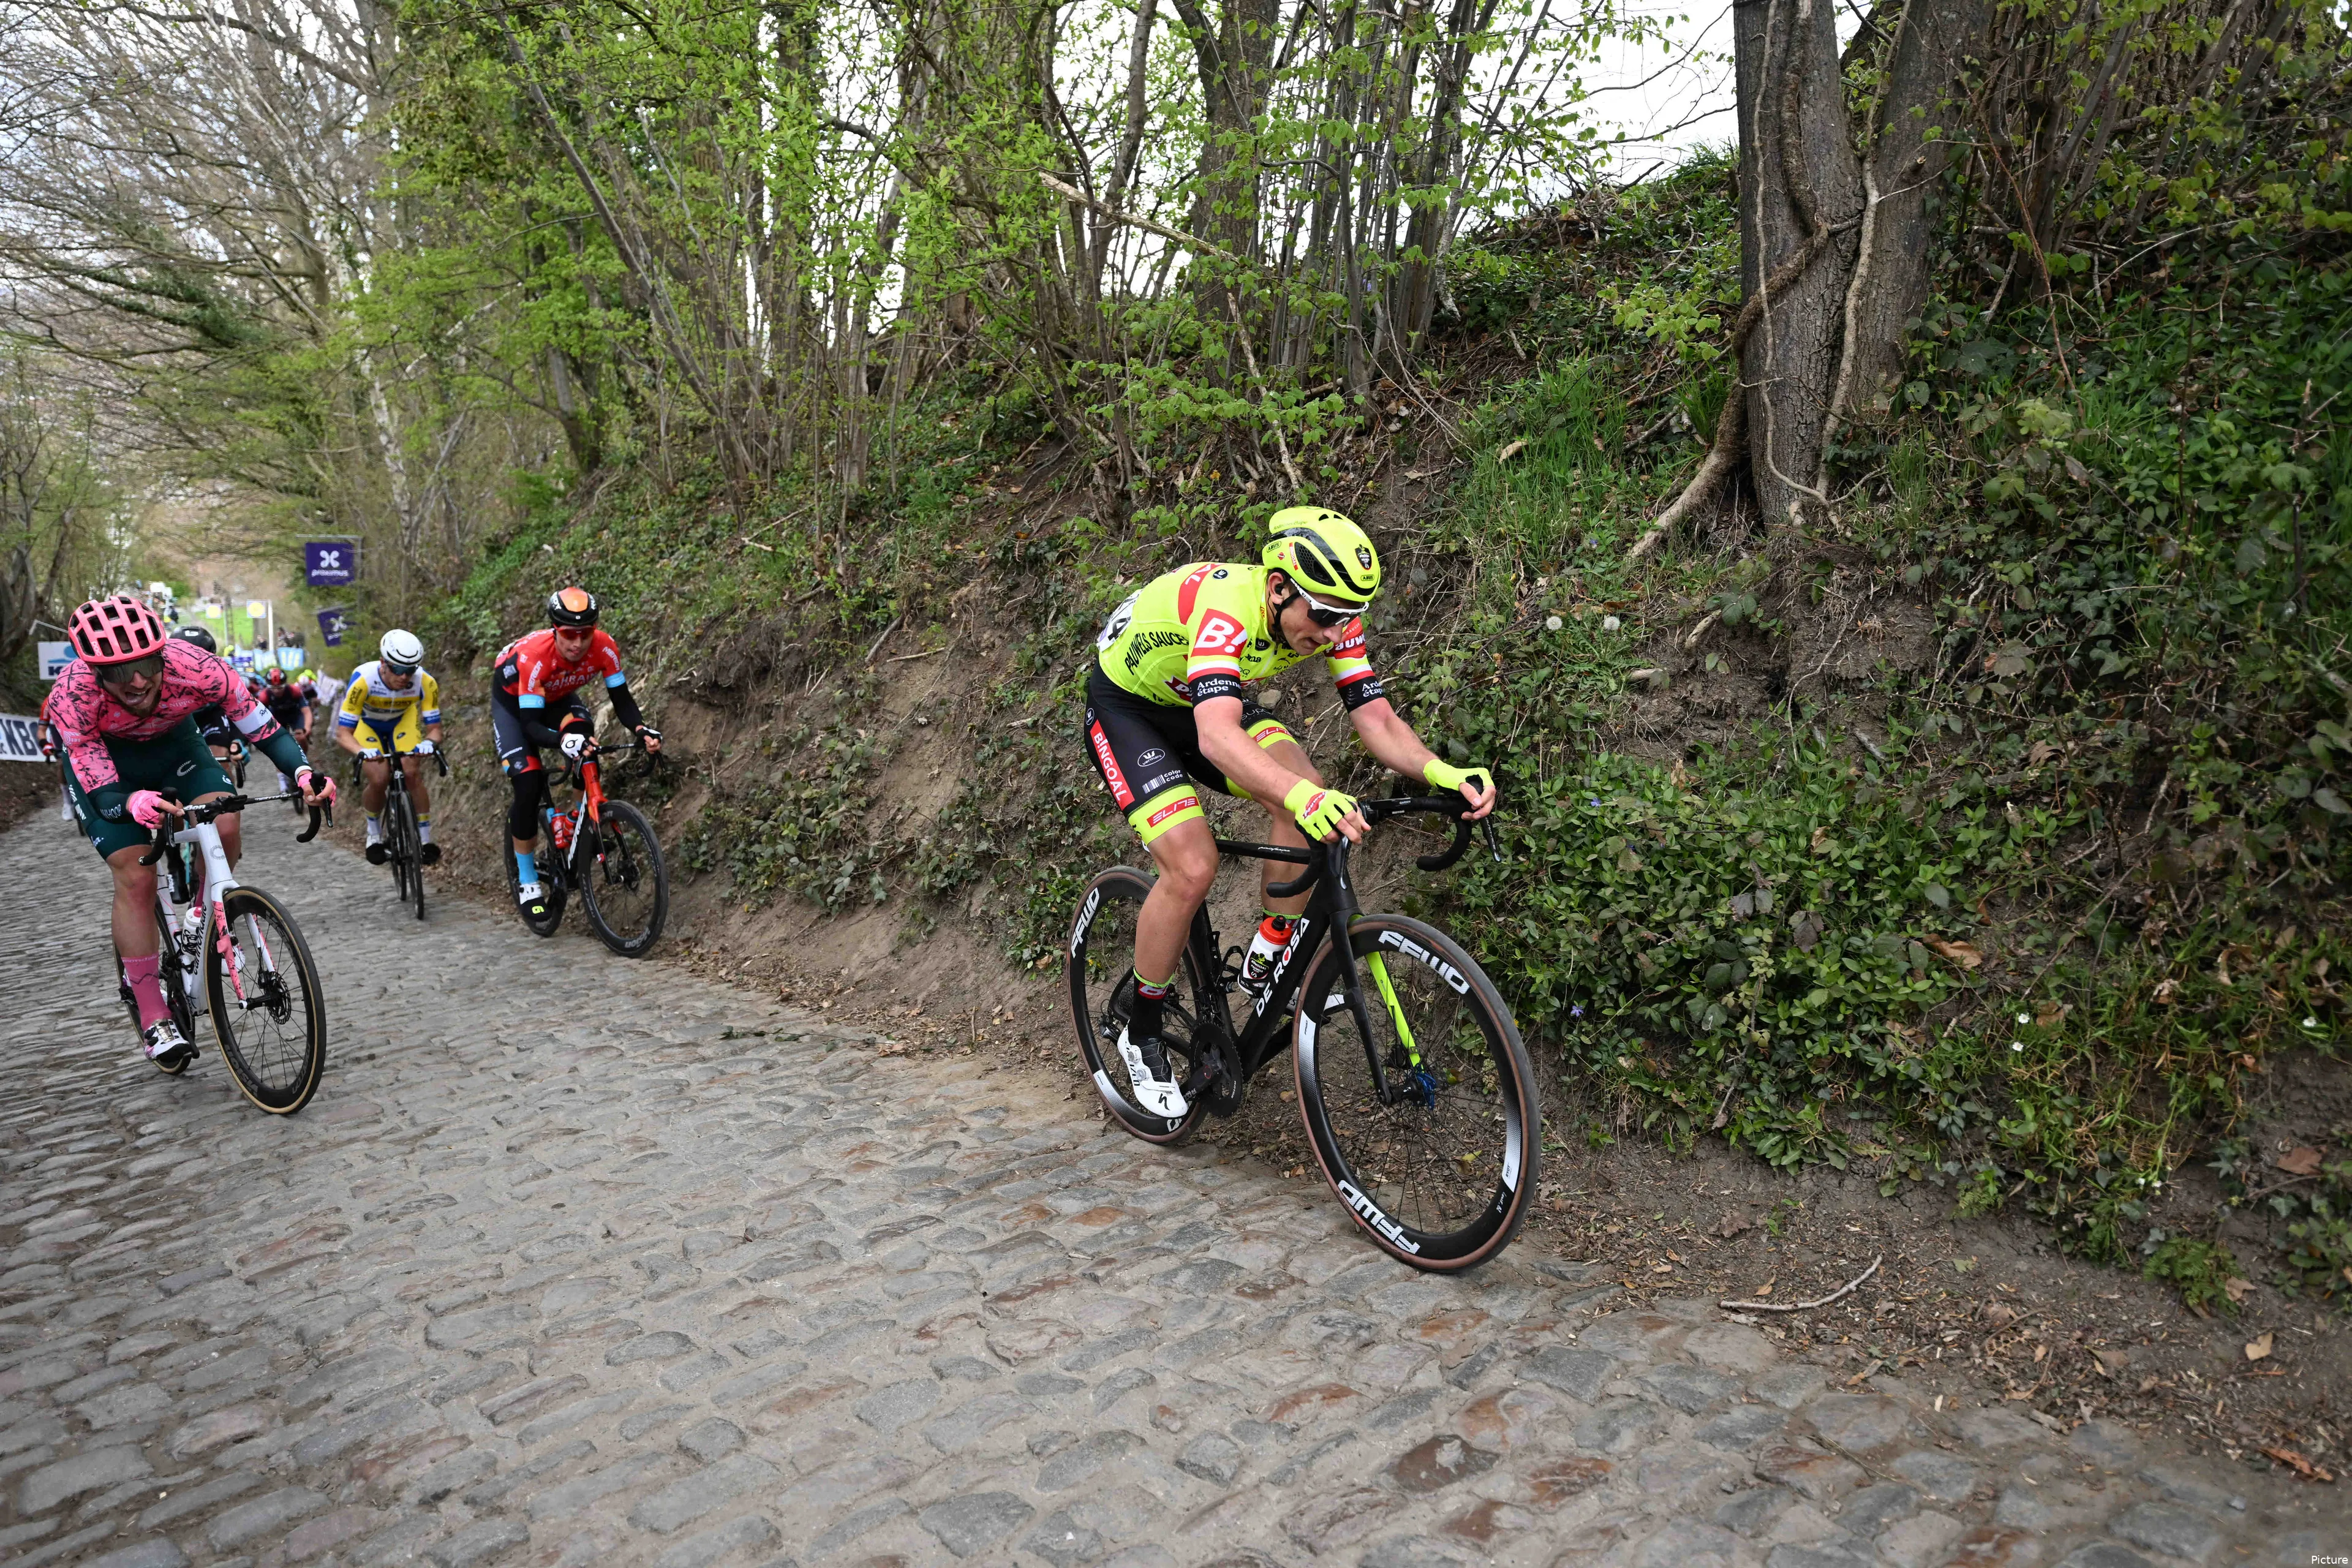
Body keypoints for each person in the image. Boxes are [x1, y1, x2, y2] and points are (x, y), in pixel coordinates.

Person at [1082, 507, 1496, 1117]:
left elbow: (1375, 716)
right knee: (1193, 866)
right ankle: (1141, 1028)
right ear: (1278, 588)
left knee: (1306, 789)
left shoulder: (1333, 612)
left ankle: (1270, 951)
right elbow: (1219, 736)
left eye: (1346, 620)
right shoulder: (1228, 609)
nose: (1333, 634)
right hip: (1130, 709)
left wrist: (1443, 772)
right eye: (1324, 617)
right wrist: (1299, 798)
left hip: (1203, 699)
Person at [44, 595, 334, 1069]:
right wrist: (131, 802)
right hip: (109, 770)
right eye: (119, 672)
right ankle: (154, 1014)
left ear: (163, 652)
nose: (137, 681)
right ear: (95, 672)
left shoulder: (198, 667)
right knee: (137, 875)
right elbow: (101, 793)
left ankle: (208, 915)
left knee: (223, 820)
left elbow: (265, 730)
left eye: (146, 664)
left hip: (176, 746)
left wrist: (305, 775)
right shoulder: (73, 694)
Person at [491, 587, 662, 918]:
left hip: (559, 697)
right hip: (516, 706)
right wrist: (561, 741)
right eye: (569, 634)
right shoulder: (534, 656)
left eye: (586, 634)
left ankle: (572, 822)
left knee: (587, 745)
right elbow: (532, 726)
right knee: (527, 784)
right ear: (556, 629)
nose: (578, 643)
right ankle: (527, 881)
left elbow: (623, 701)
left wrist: (642, 729)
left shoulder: (605, 647)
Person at [333, 630, 443, 865]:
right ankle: (374, 833)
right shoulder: (363, 680)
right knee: (380, 777)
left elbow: (435, 730)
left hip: (401, 722)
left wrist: (429, 743)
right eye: (398, 669)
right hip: (367, 725)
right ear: (383, 663)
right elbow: (343, 734)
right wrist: (360, 751)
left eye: (411, 670)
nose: (404, 677)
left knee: (412, 772)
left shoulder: (426, 682)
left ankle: (425, 840)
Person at [171, 624, 243, 778]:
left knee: (219, 759)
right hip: (177, 721)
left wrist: (237, 740)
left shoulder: (224, 677)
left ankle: (227, 796)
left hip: (211, 718)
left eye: (200, 664)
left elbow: (238, 711)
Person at [261, 666, 314, 805]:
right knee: (279, 749)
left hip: (295, 716)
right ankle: (283, 786)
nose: (277, 691)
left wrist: (307, 728)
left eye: (280, 688)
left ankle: (302, 759)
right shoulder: (265, 696)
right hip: (277, 718)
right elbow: (259, 717)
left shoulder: (294, 691)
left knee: (301, 737)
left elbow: (307, 712)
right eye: (274, 688)